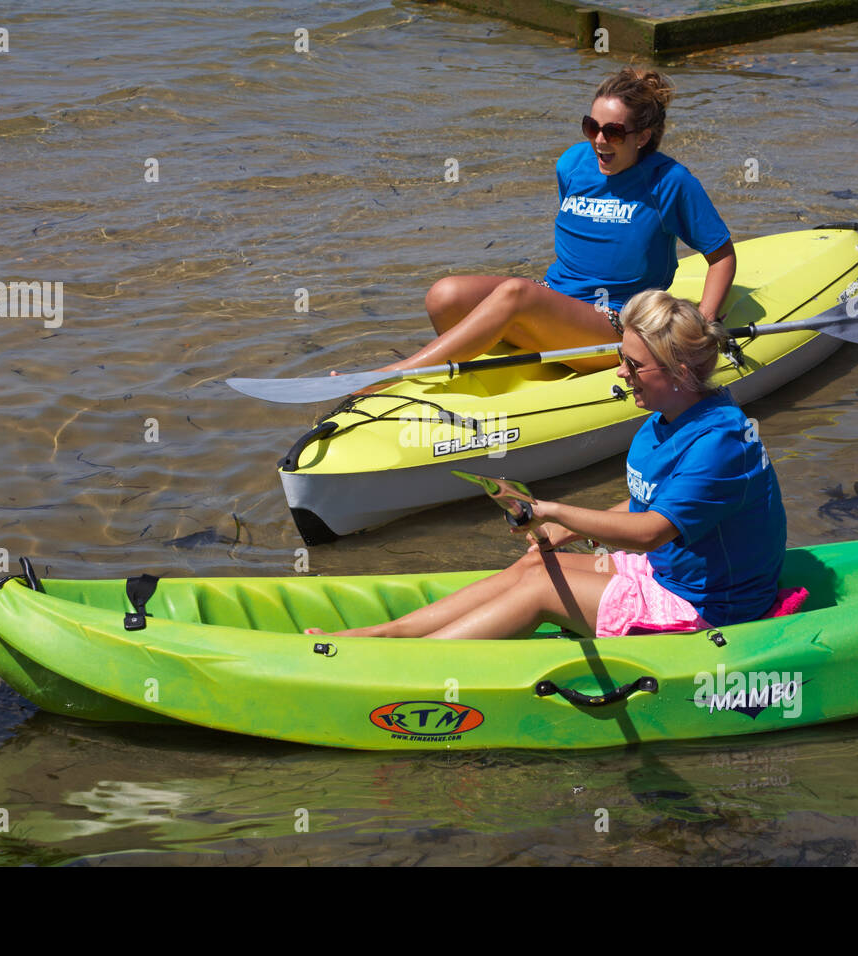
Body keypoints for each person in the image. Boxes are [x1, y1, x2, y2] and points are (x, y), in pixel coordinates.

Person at [312, 290, 785, 640]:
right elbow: (650, 502)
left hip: (709, 608)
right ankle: (391, 634)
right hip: (665, 575)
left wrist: (556, 513)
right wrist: (567, 533)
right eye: (623, 358)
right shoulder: (667, 418)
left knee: (543, 589)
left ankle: (409, 663)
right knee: (539, 560)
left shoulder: (719, 441)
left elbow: (651, 532)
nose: (622, 372)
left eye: (635, 365)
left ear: (680, 372)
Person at [366, 68, 736, 380]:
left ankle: (396, 375)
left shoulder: (669, 182)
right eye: (591, 127)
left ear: (642, 137)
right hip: (556, 299)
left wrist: (701, 327)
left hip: (619, 322)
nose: (599, 141)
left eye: (614, 132)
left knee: (516, 293)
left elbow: (720, 255)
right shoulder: (573, 163)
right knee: (444, 295)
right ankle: (492, 375)